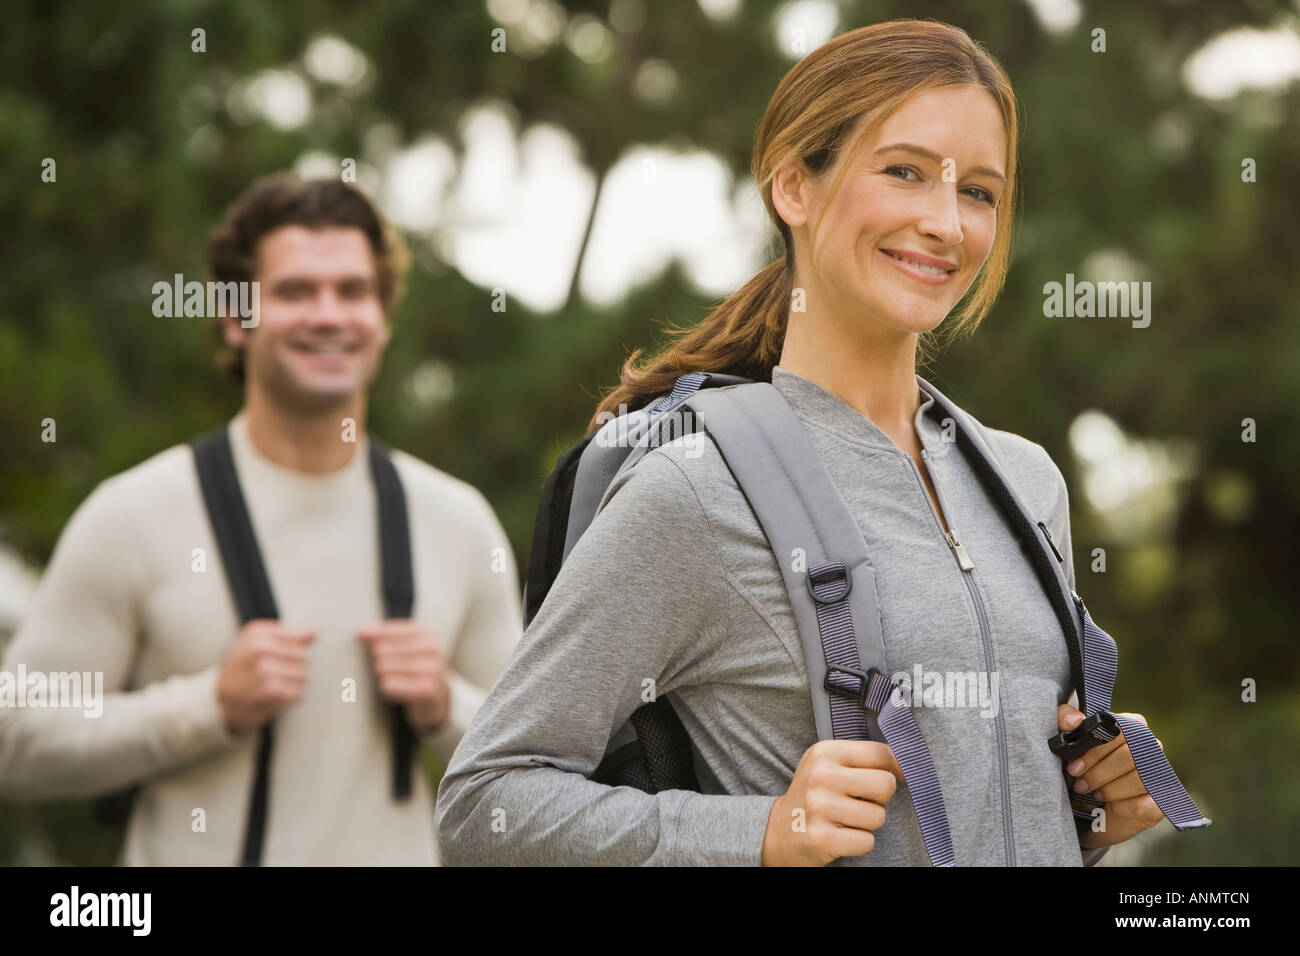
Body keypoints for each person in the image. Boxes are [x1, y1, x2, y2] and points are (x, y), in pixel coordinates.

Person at [435, 20, 1167, 866]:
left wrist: (1090, 813)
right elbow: (484, 803)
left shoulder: (1025, 482)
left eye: (979, 192)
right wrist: (763, 832)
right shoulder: (698, 488)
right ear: (793, 187)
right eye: (905, 172)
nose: (946, 222)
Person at [0, 175, 522, 865]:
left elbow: (536, 776)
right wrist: (205, 706)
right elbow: (15, 743)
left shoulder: (459, 524)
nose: (329, 314)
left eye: (353, 291)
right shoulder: (131, 516)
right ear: (234, 317)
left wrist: (447, 707)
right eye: (295, 291)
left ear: (383, 318)